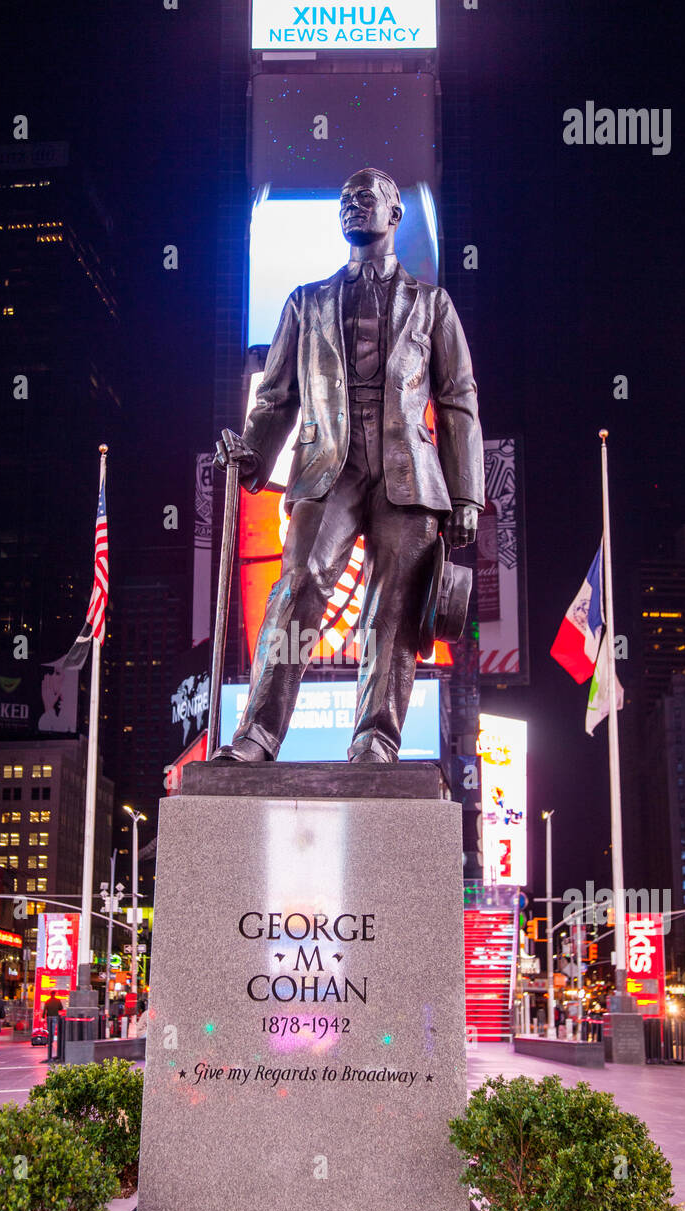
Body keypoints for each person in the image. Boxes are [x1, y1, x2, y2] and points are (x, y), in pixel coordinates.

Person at [212, 166, 483, 764]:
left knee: (392, 608)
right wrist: (253, 454)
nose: (353, 207)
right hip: (328, 467)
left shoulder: (432, 304)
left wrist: (467, 496)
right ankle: (257, 734)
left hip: (408, 473)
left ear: (395, 216)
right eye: (345, 200)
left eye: (367, 199)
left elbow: (458, 398)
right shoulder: (306, 302)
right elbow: (276, 397)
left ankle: (375, 740)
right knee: (299, 583)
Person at [43, 990, 63, 1062]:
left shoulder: (47, 1001)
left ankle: (49, 1038)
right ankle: (51, 1038)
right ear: (55, 994)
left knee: (49, 1028)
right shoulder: (58, 1001)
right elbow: (61, 1008)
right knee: (53, 1028)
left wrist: (43, 1016)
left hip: (49, 1017)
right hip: (55, 1016)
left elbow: (44, 1009)